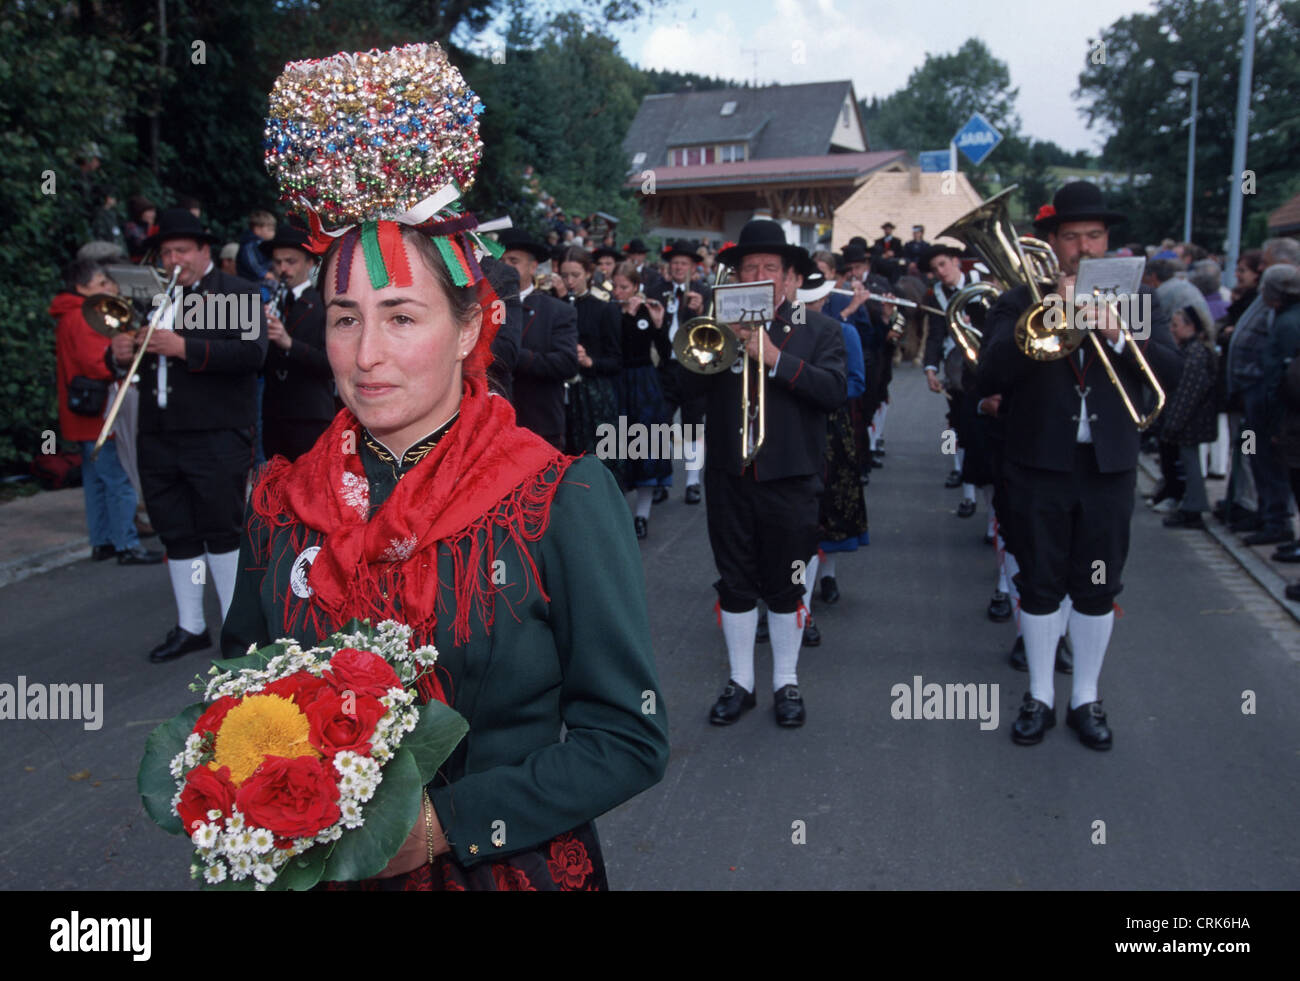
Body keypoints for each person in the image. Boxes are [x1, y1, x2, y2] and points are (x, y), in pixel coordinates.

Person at [222, 41, 667, 890]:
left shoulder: (558, 499)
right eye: (344, 318)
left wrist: (438, 825)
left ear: (467, 328)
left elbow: (628, 738)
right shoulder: (281, 503)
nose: (367, 354)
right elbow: (240, 697)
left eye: (401, 316)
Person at [978, 180, 1182, 750]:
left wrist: (1117, 333)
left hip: (1108, 467)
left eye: (1094, 235)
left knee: (1097, 584)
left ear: (1108, 241)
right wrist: (1052, 316)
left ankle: (1086, 698)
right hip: (1037, 463)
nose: (1084, 247)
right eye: (1072, 237)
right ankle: (1040, 696)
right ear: (1053, 242)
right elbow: (988, 374)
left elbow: (1172, 372)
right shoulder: (1018, 299)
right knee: (1039, 582)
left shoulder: (1138, 300)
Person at [694, 219, 847, 728]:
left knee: (786, 583)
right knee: (734, 581)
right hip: (728, 474)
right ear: (736, 277)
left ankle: (786, 680)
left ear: (790, 278)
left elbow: (834, 392)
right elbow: (681, 390)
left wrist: (775, 358)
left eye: (770, 268)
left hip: (791, 476)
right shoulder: (716, 325)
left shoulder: (820, 329)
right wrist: (713, 344)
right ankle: (741, 682)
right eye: (749, 267)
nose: (759, 275)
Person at [113, 207, 268, 662]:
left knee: (221, 529)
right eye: (166, 253)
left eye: (181, 250)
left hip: (215, 431)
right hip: (158, 431)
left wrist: (184, 347)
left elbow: (252, 354)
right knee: (176, 531)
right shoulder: (151, 297)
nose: (173, 260)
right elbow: (132, 356)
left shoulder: (235, 291)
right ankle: (191, 625)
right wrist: (118, 354)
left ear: (204, 250)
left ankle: (238, 630)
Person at [51, 259, 161, 565]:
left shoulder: (68, 315)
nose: (110, 288)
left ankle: (103, 541)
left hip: (85, 410)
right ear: (82, 287)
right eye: (102, 283)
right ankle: (126, 543)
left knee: (96, 480)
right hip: (100, 411)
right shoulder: (84, 316)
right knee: (118, 477)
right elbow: (97, 363)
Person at [259, 224, 334, 461]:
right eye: (278, 262)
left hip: (310, 416)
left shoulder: (324, 304)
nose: (283, 269)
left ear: (309, 263)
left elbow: (330, 363)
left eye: (291, 262)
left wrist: (289, 344)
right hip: (274, 414)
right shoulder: (273, 302)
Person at [498, 228, 578, 450]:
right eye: (501, 261)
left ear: (533, 267)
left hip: (540, 425)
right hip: (493, 426)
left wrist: (513, 356)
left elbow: (567, 363)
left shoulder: (557, 311)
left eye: (514, 261)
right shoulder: (483, 307)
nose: (506, 267)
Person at [610, 261, 670, 539]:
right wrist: (625, 316)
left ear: (636, 287)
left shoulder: (648, 309)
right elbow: (613, 347)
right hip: (618, 380)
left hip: (645, 382)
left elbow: (665, 353)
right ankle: (619, 514)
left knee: (647, 444)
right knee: (617, 445)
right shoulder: (610, 311)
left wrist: (659, 325)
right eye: (615, 286)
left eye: (624, 287)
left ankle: (642, 515)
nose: (618, 292)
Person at [651, 239, 711, 504]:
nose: (678, 267)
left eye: (683, 264)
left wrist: (700, 311)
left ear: (693, 267)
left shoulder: (704, 293)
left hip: (694, 369)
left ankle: (692, 482)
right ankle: (661, 480)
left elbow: (713, 333)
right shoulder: (656, 291)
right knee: (659, 425)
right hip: (666, 367)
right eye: (675, 263)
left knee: (693, 426)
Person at [559, 247, 623, 482]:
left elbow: (616, 361)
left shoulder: (604, 309)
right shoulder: (556, 305)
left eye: (575, 275)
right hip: (561, 394)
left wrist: (589, 361)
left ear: (588, 273)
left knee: (597, 463)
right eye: (565, 275)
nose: (570, 281)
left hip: (593, 396)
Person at [922, 243, 981, 497]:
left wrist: (974, 321)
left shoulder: (979, 282)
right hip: (955, 361)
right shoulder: (936, 295)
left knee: (975, 422)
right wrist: (930, 369)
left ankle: (973, 469)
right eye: (935, 268)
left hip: (984, 358)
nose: (940, 272)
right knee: (953, 421)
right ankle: (955, 465)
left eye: (943, 264)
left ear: (955, 261)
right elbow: (935, 336)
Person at [1158, 305, 1219, 529]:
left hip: (1192, 422)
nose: (1172, 330)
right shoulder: (1191, 350)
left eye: (1176, 325)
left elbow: (1188, 393)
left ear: (1191, 326)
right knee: (1188, 463)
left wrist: (1173, 424)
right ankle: (1191, 504)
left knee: (1190, 464)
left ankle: (1194, 506)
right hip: (1190, 420)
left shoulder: (1195, 354)